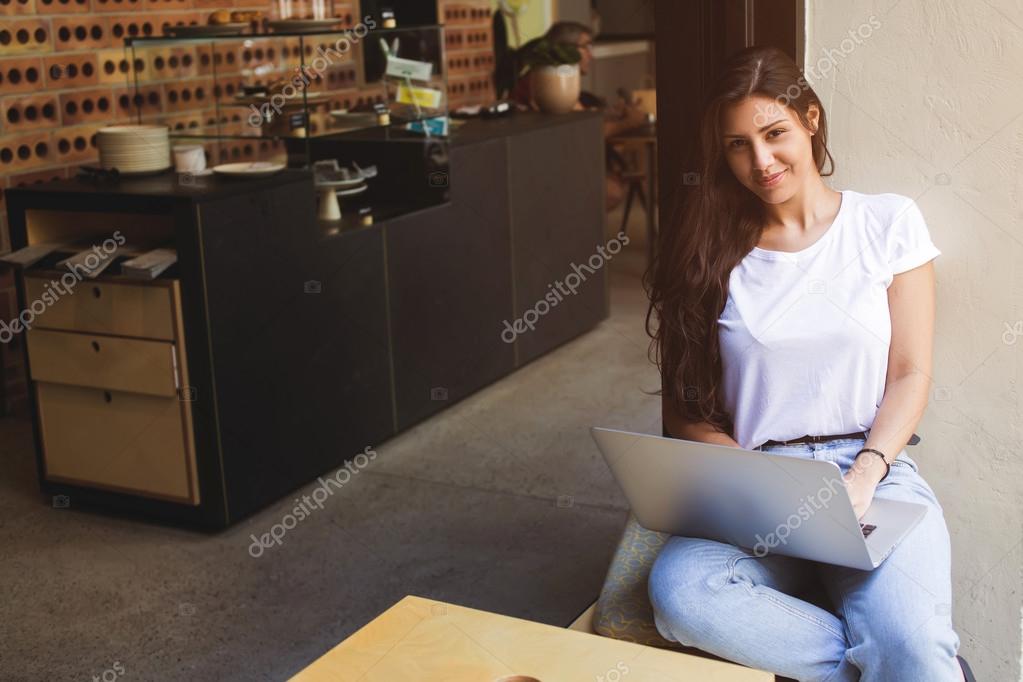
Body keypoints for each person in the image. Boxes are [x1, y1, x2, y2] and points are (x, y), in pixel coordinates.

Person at [642, 46, 973, 682]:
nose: (761, 163)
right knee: (683, 593)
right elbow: (681, 413)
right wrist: (745, 475)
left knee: (913, 640)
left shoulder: (886, 221)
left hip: (872, 470)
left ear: (810, 119)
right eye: (739, 145)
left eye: (775, 134)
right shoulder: (711, 252)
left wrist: (867, 473)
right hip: (766, 480)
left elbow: (910, 373)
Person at [511, 21, 649, 211]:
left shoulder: (559, 78)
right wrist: (628, 122)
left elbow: (578, 118)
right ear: (565, 49)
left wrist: (609, 113)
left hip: (559, 166)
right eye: (586, 47)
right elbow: (582, 133)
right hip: (544, 174)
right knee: (613, 191)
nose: (591, 55)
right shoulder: (545, 81)